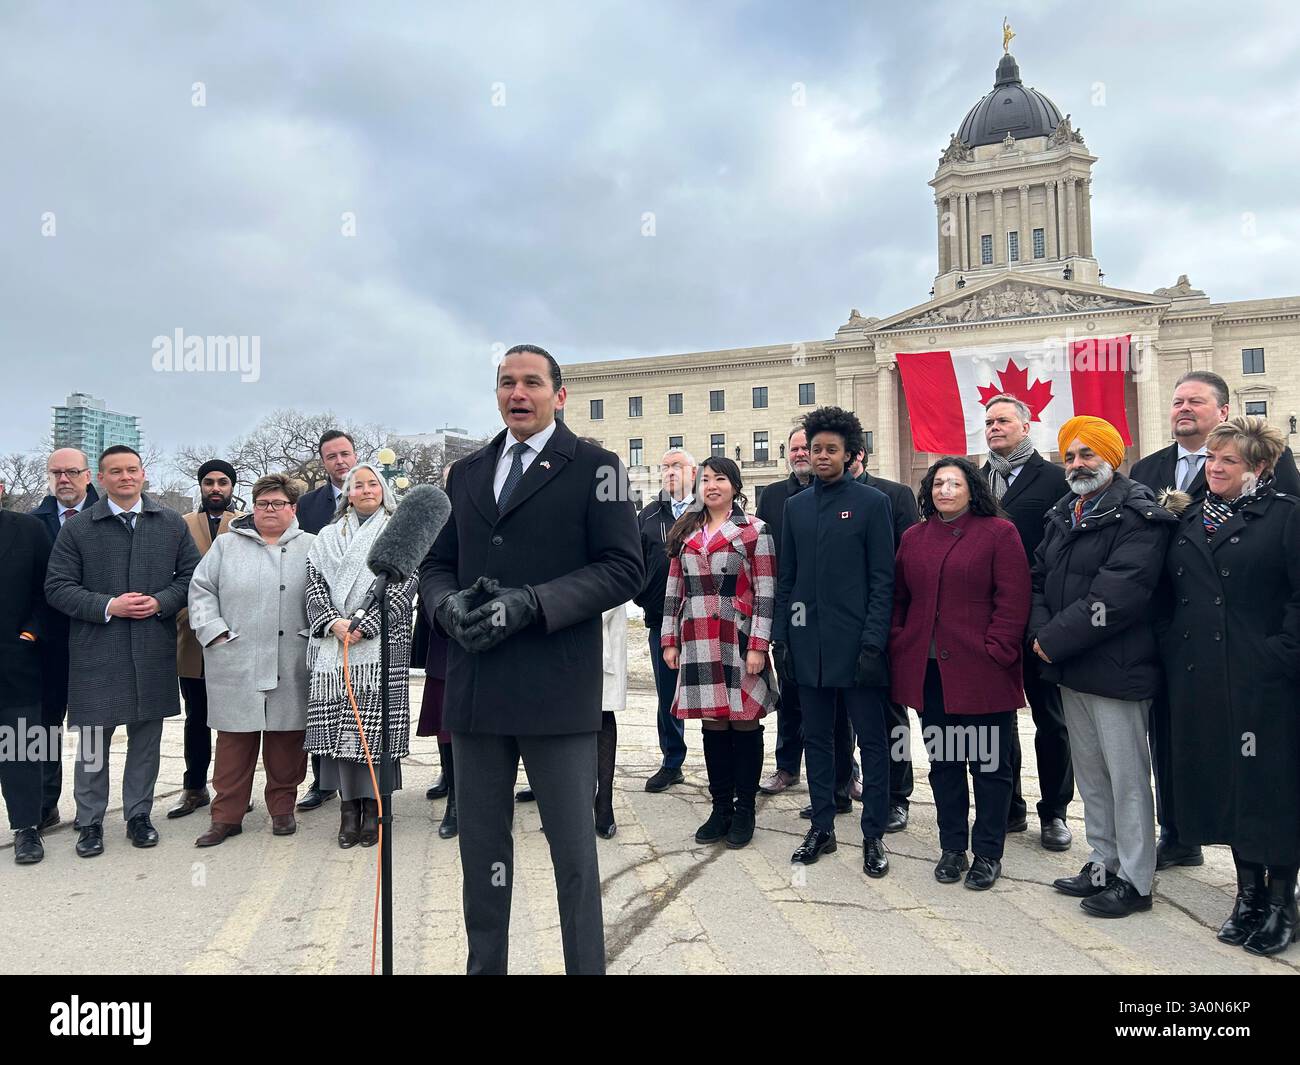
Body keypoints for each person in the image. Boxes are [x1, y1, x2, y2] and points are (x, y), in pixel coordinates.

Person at [420, 343, 643, 975]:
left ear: (559, 394)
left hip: (556, 692)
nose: (518, 394)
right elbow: (436, 563)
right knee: (481, 858)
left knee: (574, 859)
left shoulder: (597, 467)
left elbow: (624, 567)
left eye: (532, 383)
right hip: (476, 690)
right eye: (506, 383)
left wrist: (533, 603)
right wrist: (445, 606)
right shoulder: (465, 473)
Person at [1131, 371, 1300, 872]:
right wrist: (1165, 639)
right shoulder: (1155, 475)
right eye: (1177, 400)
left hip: (1254, 654)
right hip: (1189, 655)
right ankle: (1186, 838)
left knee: (1261, 775)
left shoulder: (1280, 491)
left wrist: (1279, 651)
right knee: (1192, 757)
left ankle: (1273, 896)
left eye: (1196, 401)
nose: (1183, 408)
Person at [1159, 416, 1300, 955]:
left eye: (1229, 461)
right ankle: (1247, 896)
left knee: (1271, 789)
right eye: (1212, 459)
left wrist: (1279, 654)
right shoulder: (1192, 519)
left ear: (1258, 468)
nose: (1215, 468)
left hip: (1264, 681)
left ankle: (1282, 898)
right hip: (1201, 679)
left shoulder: (1285, 517)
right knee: (1227, 787)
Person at [1030, 417, 1176, 917]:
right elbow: (1037, 577)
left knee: (1127, 779)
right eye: (1069, 456)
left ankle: (1135, 881)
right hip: (1071, 667)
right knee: (1092, 777)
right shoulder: (1062, 513)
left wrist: (1050, 640)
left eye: (1087, 455)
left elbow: (1118, 595)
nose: (1076, 465)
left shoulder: (1139, 515)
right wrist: (1040, 634)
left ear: (1111, 459)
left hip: (1117, 669)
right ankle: (1102, 864)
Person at [44, 445, 200, 857]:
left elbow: (192, 577)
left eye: (132, 470)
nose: (125, 477)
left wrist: (163, 601)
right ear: (100, 477)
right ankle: (90, 821)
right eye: (116, 471)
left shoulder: (169, 523)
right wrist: (108, 606)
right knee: (94, 742)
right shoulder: (78, 529)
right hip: (98, 648)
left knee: (146, 739)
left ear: (143, 474)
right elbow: (57, 587)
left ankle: (138, 815)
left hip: (151, 647)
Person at [890, 457, 1030, 890]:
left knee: (989, 765)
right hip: (929, 672)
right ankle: (953, 848)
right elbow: (899, 598)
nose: (944, 490)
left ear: (973, 489)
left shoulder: (998, 533)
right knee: (945, 764)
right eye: (937, 483)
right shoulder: (914, 537)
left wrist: (999, 649)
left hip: (982, 669)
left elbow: (1013, 598)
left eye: (954, 483)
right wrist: (899, 640)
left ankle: (987, 852)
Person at [773, 406, 895, 875]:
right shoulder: (794, 506)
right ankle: (821, 827)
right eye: (814, 448)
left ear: (849, 454)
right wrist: (781, 638)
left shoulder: (871, 503)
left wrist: (873, 644)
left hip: (859, 649)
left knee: (873, 743)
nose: (821, 456)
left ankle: (874, 835)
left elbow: (883, 581)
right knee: (818, 739)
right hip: (808, 649)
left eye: (831, 449)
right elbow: (788, 579)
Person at [187, 474, 314, 846]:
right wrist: (214, 631)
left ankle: (282, 810)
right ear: (252, 507)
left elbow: (327, 594)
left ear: (293, 509)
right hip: (236, 656)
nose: (269, 510)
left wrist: (314, 634)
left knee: (287, 740)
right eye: (262, 504)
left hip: (291, 657)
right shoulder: (227, 546)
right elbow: (201, 590)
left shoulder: (313, 546)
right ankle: (226, 816)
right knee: (234, 743)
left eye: (278, 504)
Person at [661, 457, 776, 849]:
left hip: (737, 636)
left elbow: (765, 593)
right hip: (696, 637)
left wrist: (759, 645)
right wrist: (669, 639)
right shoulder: (686, 532)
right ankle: (720, 807)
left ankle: (745, 810)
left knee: (743, 721)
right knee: (712, 724)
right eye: (705, 479)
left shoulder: (754, 531)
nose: (711, 485)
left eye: (719, 479)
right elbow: (673, 591)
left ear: (735, 485)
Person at [305, 463, 417, 849]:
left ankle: (376, 808)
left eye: (373, 484)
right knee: (340, 732)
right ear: (347, 493)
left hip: (382, 645)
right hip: (334, 646)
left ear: (384, 490)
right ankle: (348, 809)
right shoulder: (326, 536)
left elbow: (407, 585)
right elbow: (313, 585)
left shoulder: (400, 531)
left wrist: (366, 625)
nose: (366, 490)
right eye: (358, 485)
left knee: (375, 731)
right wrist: (332, 623)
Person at [980, 394, 1074, 851]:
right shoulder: (976, 481)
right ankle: (1009, 805)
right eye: (988, 422)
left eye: (1002, 420)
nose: (994, 427)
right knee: (997, 719)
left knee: (1050, 719)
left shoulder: (1056, 478)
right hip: (989, 622)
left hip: (1039, 619)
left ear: (1025, 424)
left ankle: (1054, 812)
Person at [851, 444, 920, 833]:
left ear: (858, 454)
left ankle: (897, 795)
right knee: (845, 715)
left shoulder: (894, 495)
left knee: (891, 715)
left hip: (885, 620)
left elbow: (907, 561)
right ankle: (849, 785)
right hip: (840, 625)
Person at [29, 447, 99, 829]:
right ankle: (43, 803)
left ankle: (89, 808)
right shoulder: (32, 522)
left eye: (72, 471)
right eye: (56, 473)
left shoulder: (109, 516)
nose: (64, 479)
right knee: (42, 726)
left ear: (88, 476)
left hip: (97, 637)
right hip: (46, 643)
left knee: (91, 727)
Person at [169, 458, 239, 820]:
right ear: (201, 486)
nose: (216, 488)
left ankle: (234, 790)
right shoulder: (180, 525)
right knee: (196, 716)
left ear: (232, 487)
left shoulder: (244, 524)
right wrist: (185, 614)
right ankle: (194, 786)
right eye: (209, 482)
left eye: (223, 482)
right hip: (192, 636)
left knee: (233, 720)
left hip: (235, 635)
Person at [295, 428, 359, 812]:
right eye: (331, 456)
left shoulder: (379, 496)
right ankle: (322, 781)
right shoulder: (307, 505)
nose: (340, 461)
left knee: (364, 706)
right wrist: (327, 615)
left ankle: (368, 785)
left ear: (355, 454)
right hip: (322, 616)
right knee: (321, 701)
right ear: (323, 462)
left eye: (345, 453)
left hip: (367, 617)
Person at [633, 447, 697, 793]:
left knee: (713, 690)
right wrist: (643, 596)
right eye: (665, 467)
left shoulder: (710, 510)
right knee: (668, 693)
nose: (670, 472)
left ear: (693, 472)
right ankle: (672, 761)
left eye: (677, 466)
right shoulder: (649, 514)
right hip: (661, 618)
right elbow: (635, 561)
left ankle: (726, 762)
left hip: (706, 620)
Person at [756, 426, 813, 795]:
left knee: (835, 699)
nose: (800, 454)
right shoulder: (774, 496)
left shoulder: (838, 493)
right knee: (790, 694)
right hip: (787, 610)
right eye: (794, 448)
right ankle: (787, 767)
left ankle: (846, 770)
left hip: (828, 612)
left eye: (805, 447)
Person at [0, 481, 54, 863]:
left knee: (20, 749)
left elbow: (46, 589)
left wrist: (30, 632)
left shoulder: (29, 529)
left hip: (15, 660)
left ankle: (26, 829)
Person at [415, 461, 458, 838]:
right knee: (446, 718)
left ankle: (481, 793)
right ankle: (456, 796)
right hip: (445, 627)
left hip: (489, 624)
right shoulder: (434, 519)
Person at [595, 603, 627, 838]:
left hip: (601, 612)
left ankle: (604, 802)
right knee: (562, 718)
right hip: (556, 622)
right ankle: (570, 805)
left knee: (602, 709)